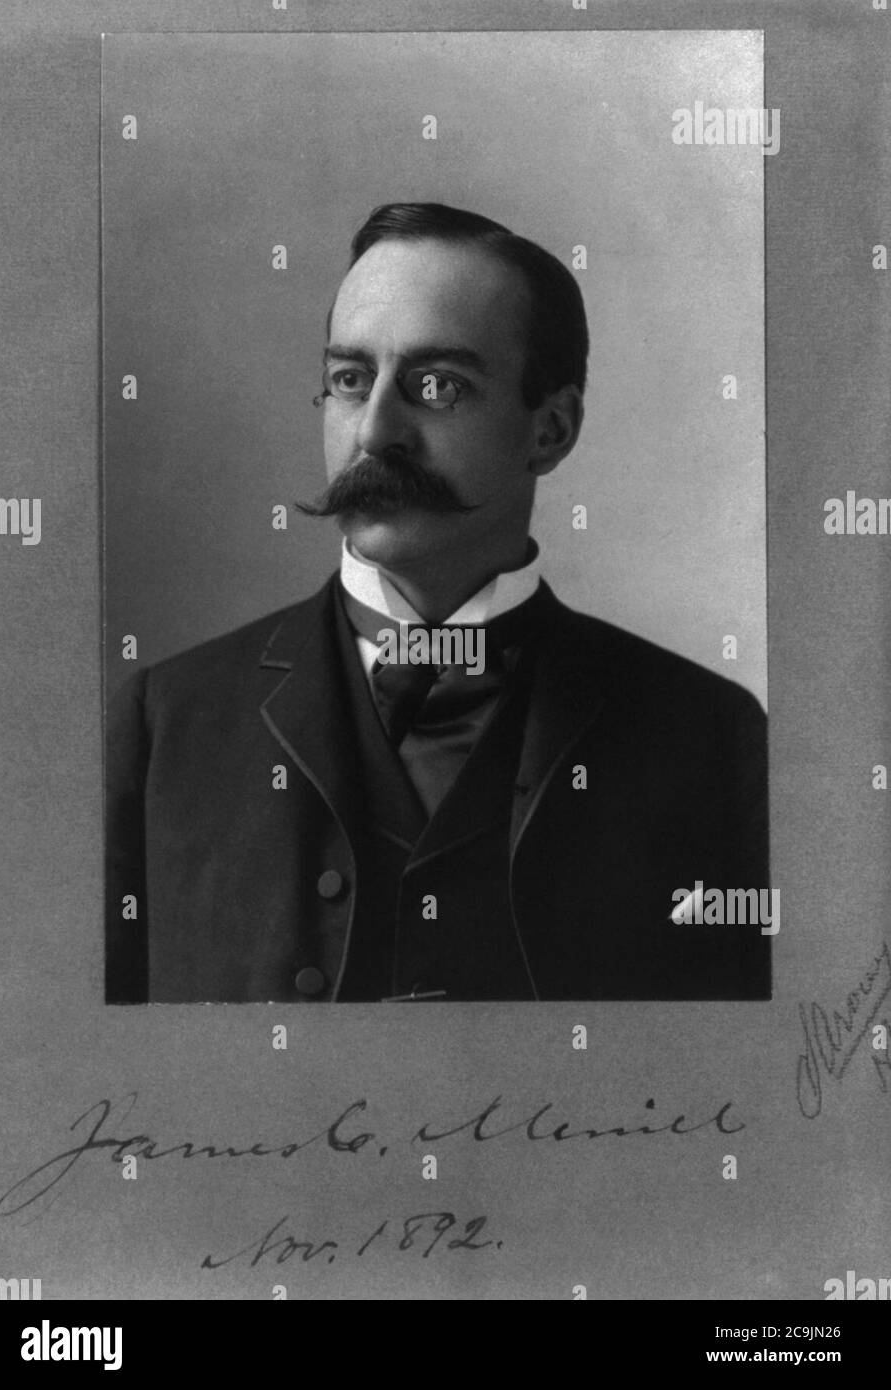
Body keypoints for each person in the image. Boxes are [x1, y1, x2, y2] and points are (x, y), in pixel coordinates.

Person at [106, 202, 769, 1004]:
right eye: (351, 381)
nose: (376, 431)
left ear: (550, 430)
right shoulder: (167, 720)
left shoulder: (711, 737)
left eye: (436, 386)